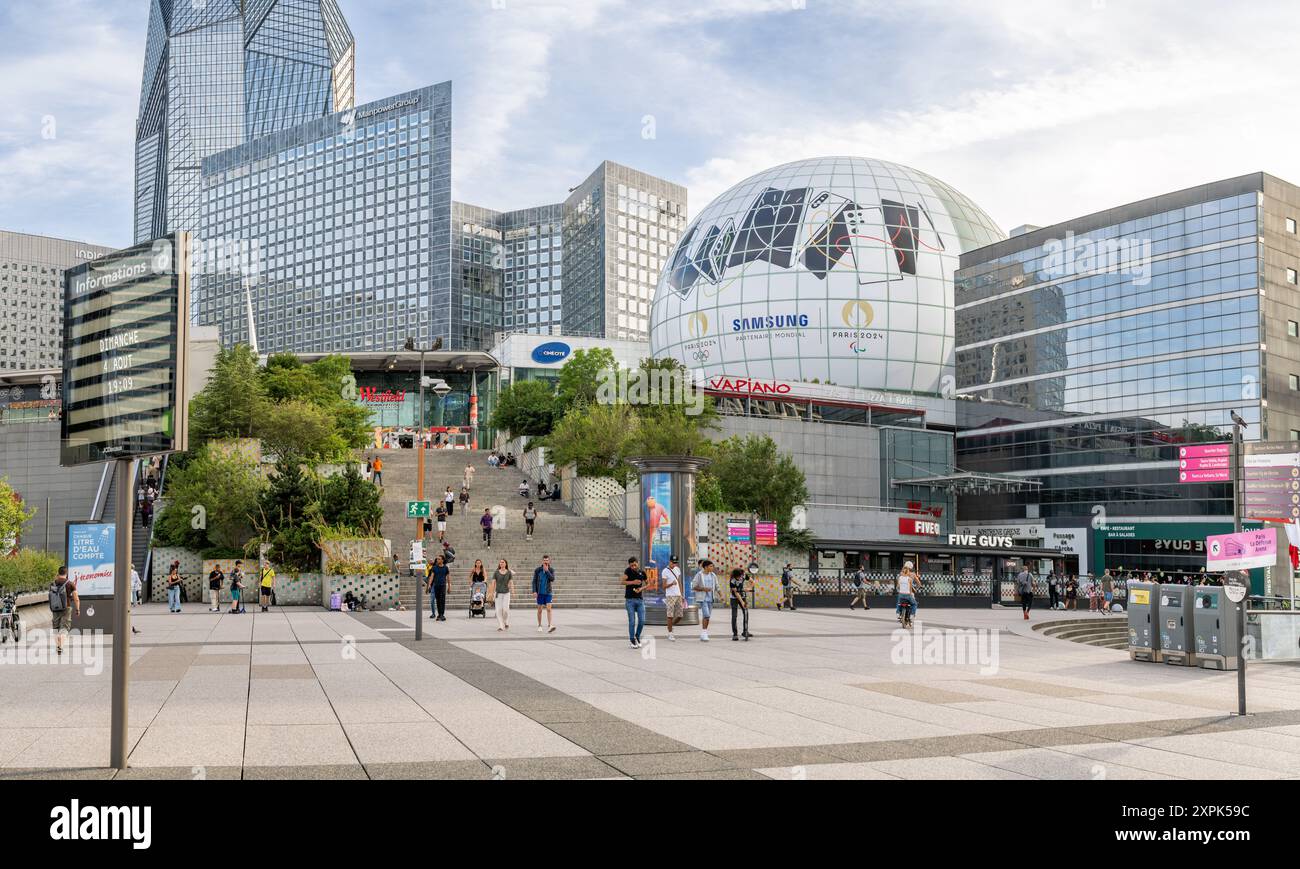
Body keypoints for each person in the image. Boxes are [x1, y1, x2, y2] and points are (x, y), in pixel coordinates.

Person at [49, 566, 79, 656]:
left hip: (55, 608)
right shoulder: (70, 584)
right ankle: (60, 647)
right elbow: (76, 598)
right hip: (67, 607)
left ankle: (57, 646)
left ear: (58, 573)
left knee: (55, 628)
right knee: (64, 628)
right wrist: (78, 609)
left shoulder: (52, 584)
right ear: (66, 573)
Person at [623, 556, 648, 649]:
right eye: (631, 565)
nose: (633, 567)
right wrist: (633, 582)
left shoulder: (642, 572)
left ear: (637, 563)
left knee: (642, 621)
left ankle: (637, 636)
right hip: (630, 600)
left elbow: (648, 584)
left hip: (640, 600)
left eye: (634, 565)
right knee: (632, 621)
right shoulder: (627, 571)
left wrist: (641, 588)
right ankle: (632, 640)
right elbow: (622, 581)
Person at [691, 559, 717, 642]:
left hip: (711, 598)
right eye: (711, 566)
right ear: (706, 567)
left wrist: (721, 595)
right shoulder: (699, 575)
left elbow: (717, 586)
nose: (712, 567)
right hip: (703, 598)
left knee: (707, 616)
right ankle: (704, 633)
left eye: (712, 566)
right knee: (706, 615)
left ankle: (703, 633)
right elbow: (694, 586)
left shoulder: (713, 575)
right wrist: (703, 588)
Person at [661, 555, 684, 642]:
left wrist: (682, 594)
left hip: (678, 595)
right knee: (670, 615)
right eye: (673, 562)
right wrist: (671, 584)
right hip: (670, 595)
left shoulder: (677, 569)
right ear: (669, 561)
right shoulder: (665, 571)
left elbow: (679, 582)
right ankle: (670, 633)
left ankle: (670, 627)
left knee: (680, 615)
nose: (674, 564)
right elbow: (663, 586)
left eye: (675, 562)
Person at [533, 555, 556, 633]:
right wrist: (534, 591)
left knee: (549, 609)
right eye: (544, 560)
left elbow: (552, 579)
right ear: (542, 561)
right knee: (540, 610)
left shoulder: (551, 570)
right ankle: (539, 625)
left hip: (548, 592)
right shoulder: (537, 570)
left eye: (547, 560)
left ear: (549, 561)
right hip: (540, 593)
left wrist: (547, 571)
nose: (546, 561)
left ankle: (550, 625)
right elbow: (534, 581)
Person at [729, 568, 751, 641]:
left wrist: (748, 588)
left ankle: (745, 631)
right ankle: (735, 634)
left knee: (746, 613)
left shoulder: (744, 575)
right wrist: (742, 602)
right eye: (737, 577)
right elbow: (736, 593)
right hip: (734, 598)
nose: (739, 578)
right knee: (734, 616)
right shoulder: (732, 580)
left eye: (740, 576)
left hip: (743, 596)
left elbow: (753, 581)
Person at [426, 555, 450, 621]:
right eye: (437, 559)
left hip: (443, 586)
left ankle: (442, 614)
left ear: (442, 560)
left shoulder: (446, 568)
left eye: (439, 559)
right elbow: (432, 577)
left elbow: (448, 578)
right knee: (438, 600)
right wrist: (429, 585)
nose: (437, 560)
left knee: (442, 600)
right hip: (436, 586)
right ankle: (439, 614)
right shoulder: (434, 568)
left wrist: (449, 587)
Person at [492, 558, 514, 631]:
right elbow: (493, 583)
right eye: (500, 562)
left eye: (503, 562)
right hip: (498, 593)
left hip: (506, 593)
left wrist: (513, 591)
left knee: (505, 610)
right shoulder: (496, 572)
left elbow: (511, 582)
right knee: (498, 610)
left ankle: (505, 621)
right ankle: (501, 625)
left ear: (506, 564)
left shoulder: (509, 573)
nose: (501, 563)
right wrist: (492, 593)